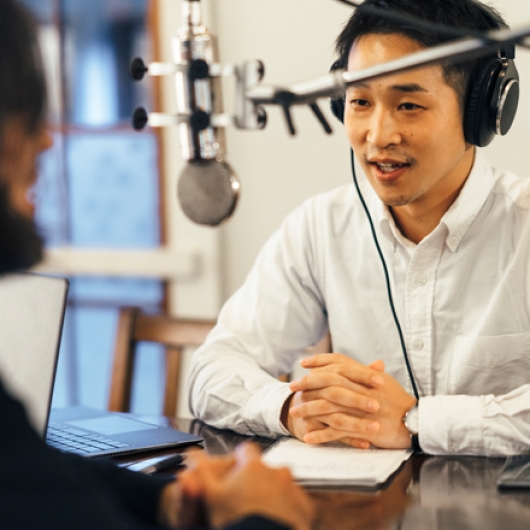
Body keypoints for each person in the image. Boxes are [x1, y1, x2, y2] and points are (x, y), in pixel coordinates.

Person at [0, 1, 314, 529]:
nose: (46, 140)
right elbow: (213, 371)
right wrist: (264, 516)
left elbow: (36, 473)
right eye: (29, 115)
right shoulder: (314, 226)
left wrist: (161, 502)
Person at [189, 0, 530, 456]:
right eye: (360, 102)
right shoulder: (320, 226)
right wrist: (291, 407)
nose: (378, 134)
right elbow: (211, 369)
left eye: (408, 105)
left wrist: (414, 422)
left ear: (481, 112)